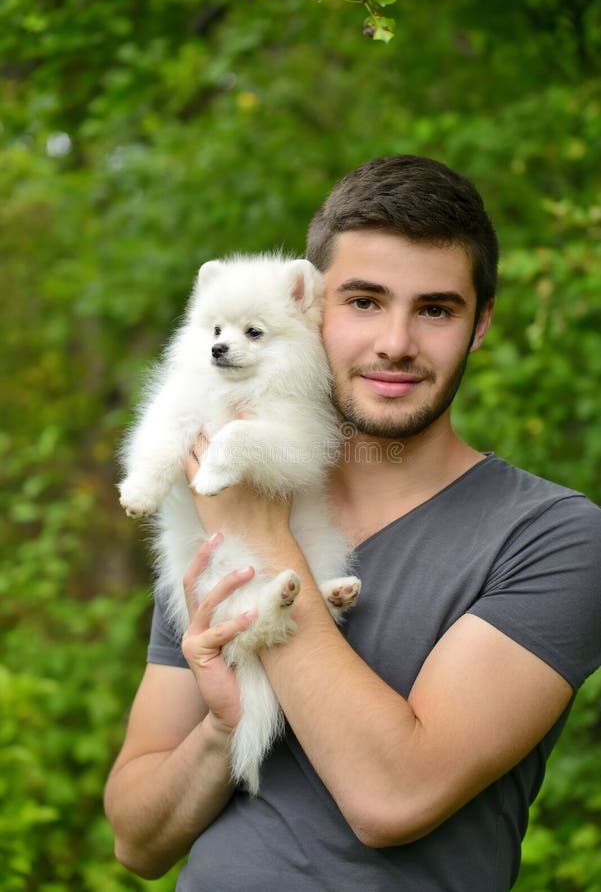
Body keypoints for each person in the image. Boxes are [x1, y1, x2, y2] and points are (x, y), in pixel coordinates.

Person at [103, 155, 601, 891]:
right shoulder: (211, 506)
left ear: (480, 324)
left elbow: (391, 799)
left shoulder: (553, 538)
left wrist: (264, 536)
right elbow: (137, 841)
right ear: (312, 311)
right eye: (364, 302)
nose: (395, 342)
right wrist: (220, 730)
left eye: (435, 309)